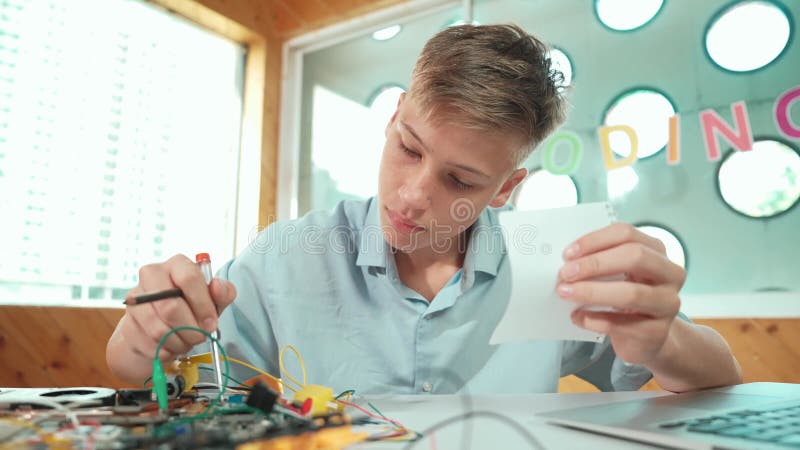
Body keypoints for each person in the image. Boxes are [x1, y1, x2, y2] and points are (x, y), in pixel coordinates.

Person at [106, 24, 742, 394]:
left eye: (460, 180)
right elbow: (151, 376)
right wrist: (144, 345)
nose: (412, 196)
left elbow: (719, 378)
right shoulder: (288, 255)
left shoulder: (553, 265)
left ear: (504, 189)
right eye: (408, 148)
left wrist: (664, 339)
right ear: (392, 119)